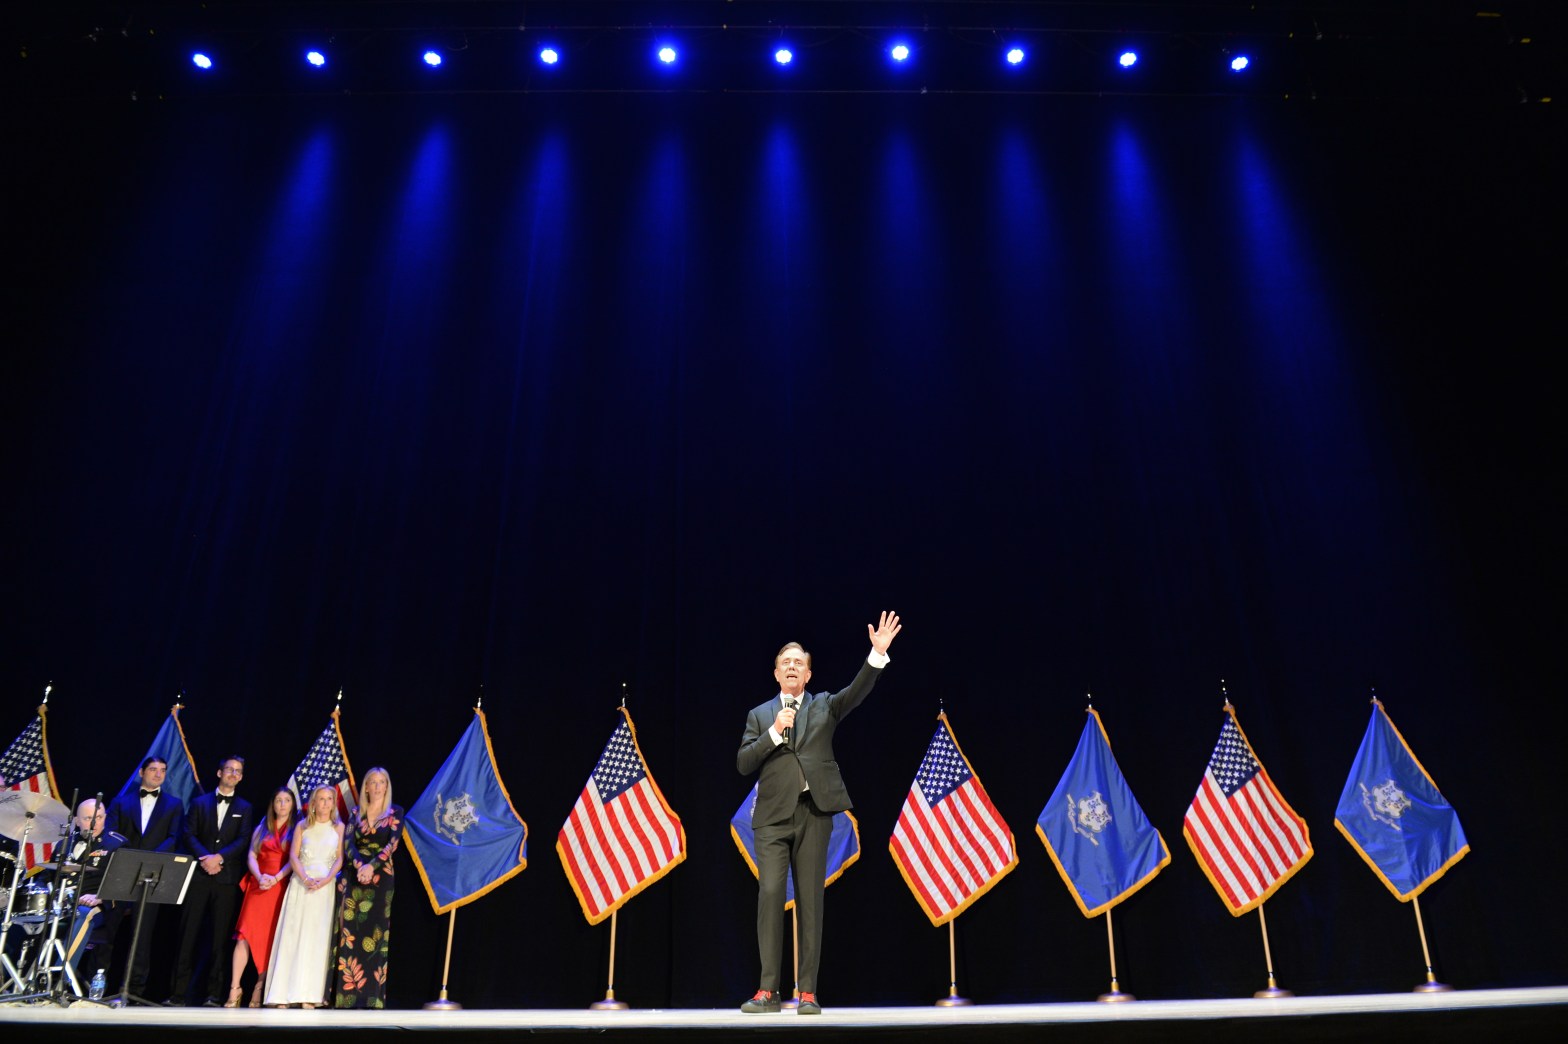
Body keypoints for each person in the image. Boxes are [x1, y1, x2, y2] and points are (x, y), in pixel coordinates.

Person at [736, 611, 902, 1016]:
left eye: (799, 663)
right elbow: (743, 763)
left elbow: (856, 692)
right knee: (771, 895)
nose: (792, 667)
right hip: (772, 819)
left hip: (815, 812)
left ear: (808, 675)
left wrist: (876, 655)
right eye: (786, 663)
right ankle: (767, 990)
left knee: (811, 900)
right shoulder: (760, 715)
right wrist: (774, 732)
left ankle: (807, 991)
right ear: (776, 674)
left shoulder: (825, 706)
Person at [169, 756, 254, 1006]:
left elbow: (243, 839)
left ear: (241, 777)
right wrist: (206, 858)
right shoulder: (199, 802)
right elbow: (188, 833)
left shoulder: (246, 807)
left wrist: (220, 858)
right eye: (229, 770)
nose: (233, 774)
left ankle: (214, 995)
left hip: (226, 879)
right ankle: (177, 994)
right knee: (187, 934)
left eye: (238, 771)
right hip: (198, 876)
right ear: (219, 773)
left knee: (219, 938)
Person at [103, 756, 185, 997]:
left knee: (142, 934)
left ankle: (135, 989)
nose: (158, 774)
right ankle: (98, 986)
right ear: (142, 772)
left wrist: (150, 859)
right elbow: (111, 833)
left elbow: (174, 837)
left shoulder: (174, 804)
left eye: (163, 770)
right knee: (110, 932)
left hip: (152, 875)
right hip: (121, 872)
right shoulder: (121, 801)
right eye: (153, 769)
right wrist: (131, 856)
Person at [263, 786, 342, 1008]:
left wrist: (326, 879)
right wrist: (305, 877)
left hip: (323, 888)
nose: (325, 803)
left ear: (334, 803)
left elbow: (339, 859)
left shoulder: (339, 827)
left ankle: (309, 994)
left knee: (316, 939)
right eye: (321, 799)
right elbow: (294, 857)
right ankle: (282, 994)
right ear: (313, 803)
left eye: (329, 799)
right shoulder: (302, 826)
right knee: (293, 936)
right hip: (301, 884)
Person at [334, 767, 400, 1009]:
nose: (377, 786)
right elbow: (349, 843)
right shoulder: (355, 812)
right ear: (367, 787)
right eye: (373, 782)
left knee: (376, 935)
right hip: (354, 876)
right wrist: (361, 865)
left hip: (381, 879)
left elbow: (392, 844)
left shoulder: (395, 813)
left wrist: (371, 867)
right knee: (351, 933)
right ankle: (346, 998)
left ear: (386, 786)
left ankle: (373, 998)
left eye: (382, 782)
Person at [226, 787, 296, 1007]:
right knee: (244, 936)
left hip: (279, 886)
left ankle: (259, 987)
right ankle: (235, 988)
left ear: (292, 804)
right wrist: (260, 876)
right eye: (278, 800)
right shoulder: (261, 828)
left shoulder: (296, 829)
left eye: (286, 800)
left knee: (269, 939)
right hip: (258, 885)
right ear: (272, 804)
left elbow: (293, 860)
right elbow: (252, 855)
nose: (282, 804)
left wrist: (275, 879)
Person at [57, 797, 126, 986]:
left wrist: (100, 896)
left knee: (83, 915)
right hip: (63, 903)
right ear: (77, 821)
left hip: (97, 906)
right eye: (87, 818)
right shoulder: (64, 844)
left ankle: (58, 980)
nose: (94, 823)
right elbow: (47, 878)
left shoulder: (116, 844)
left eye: (99, 817)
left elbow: (123, 882)